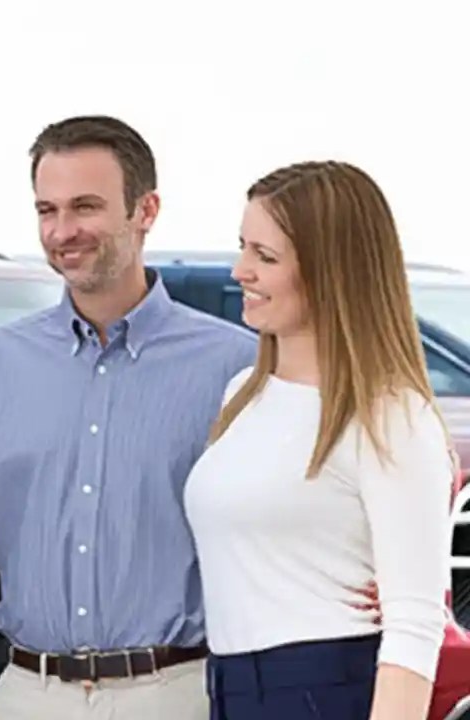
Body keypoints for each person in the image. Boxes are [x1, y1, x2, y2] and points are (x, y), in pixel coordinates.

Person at [0, 116, 377, 718]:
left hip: (177, 692)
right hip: (28, 691)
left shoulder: (238, 368)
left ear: (146, 209)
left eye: (85, 207)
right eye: (46, 210)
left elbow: (292, 527)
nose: (62, 231)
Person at [183, 160, 454, 719]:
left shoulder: (391, 417)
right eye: (242, 247)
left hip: (325, 692)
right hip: (230, 689)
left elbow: (414, 626)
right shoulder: (242, 395)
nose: (239, 271)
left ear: (332, 270)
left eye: (265, 256)